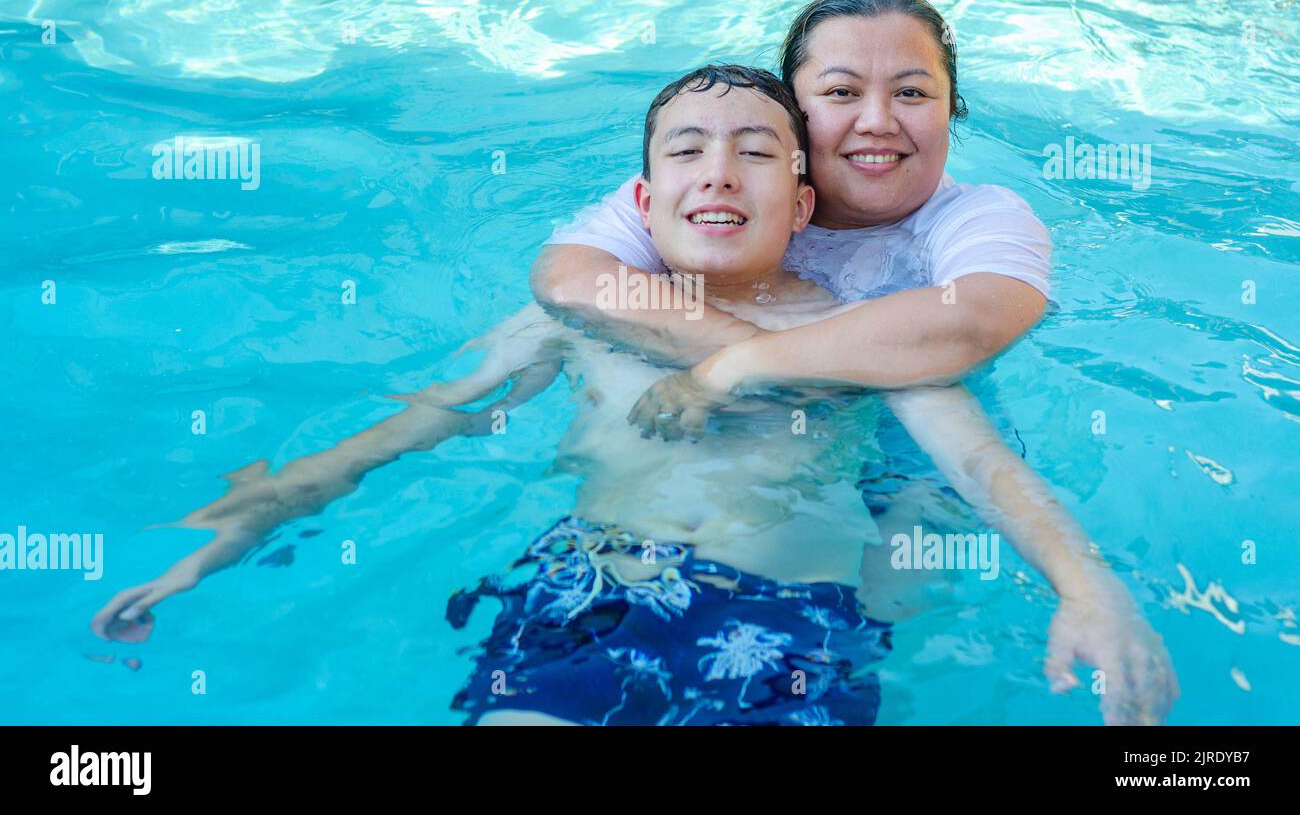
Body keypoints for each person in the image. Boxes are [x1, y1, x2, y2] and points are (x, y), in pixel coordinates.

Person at [91, 65, 1178, 726]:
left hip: (789, 626)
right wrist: (244, 520)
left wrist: (1090, 587)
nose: (718, 172)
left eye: (755, 152)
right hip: (584, 596)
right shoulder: (578, 313)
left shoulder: (851, 336)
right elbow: (424, 421)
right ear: (643, 197)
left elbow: (981, 463)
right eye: (688, 153)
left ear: (802, 201)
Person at [530, 0, 1051, 430]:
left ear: (951, 110)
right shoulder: (719, 188)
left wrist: (741, 367)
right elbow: (570, 280)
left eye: (911, 94)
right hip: (727, 436)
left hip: (922, 453)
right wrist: (758, 354)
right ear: (792, 110)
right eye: (842, 93)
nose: (876, 121)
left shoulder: (981, 217)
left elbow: (976, 320)